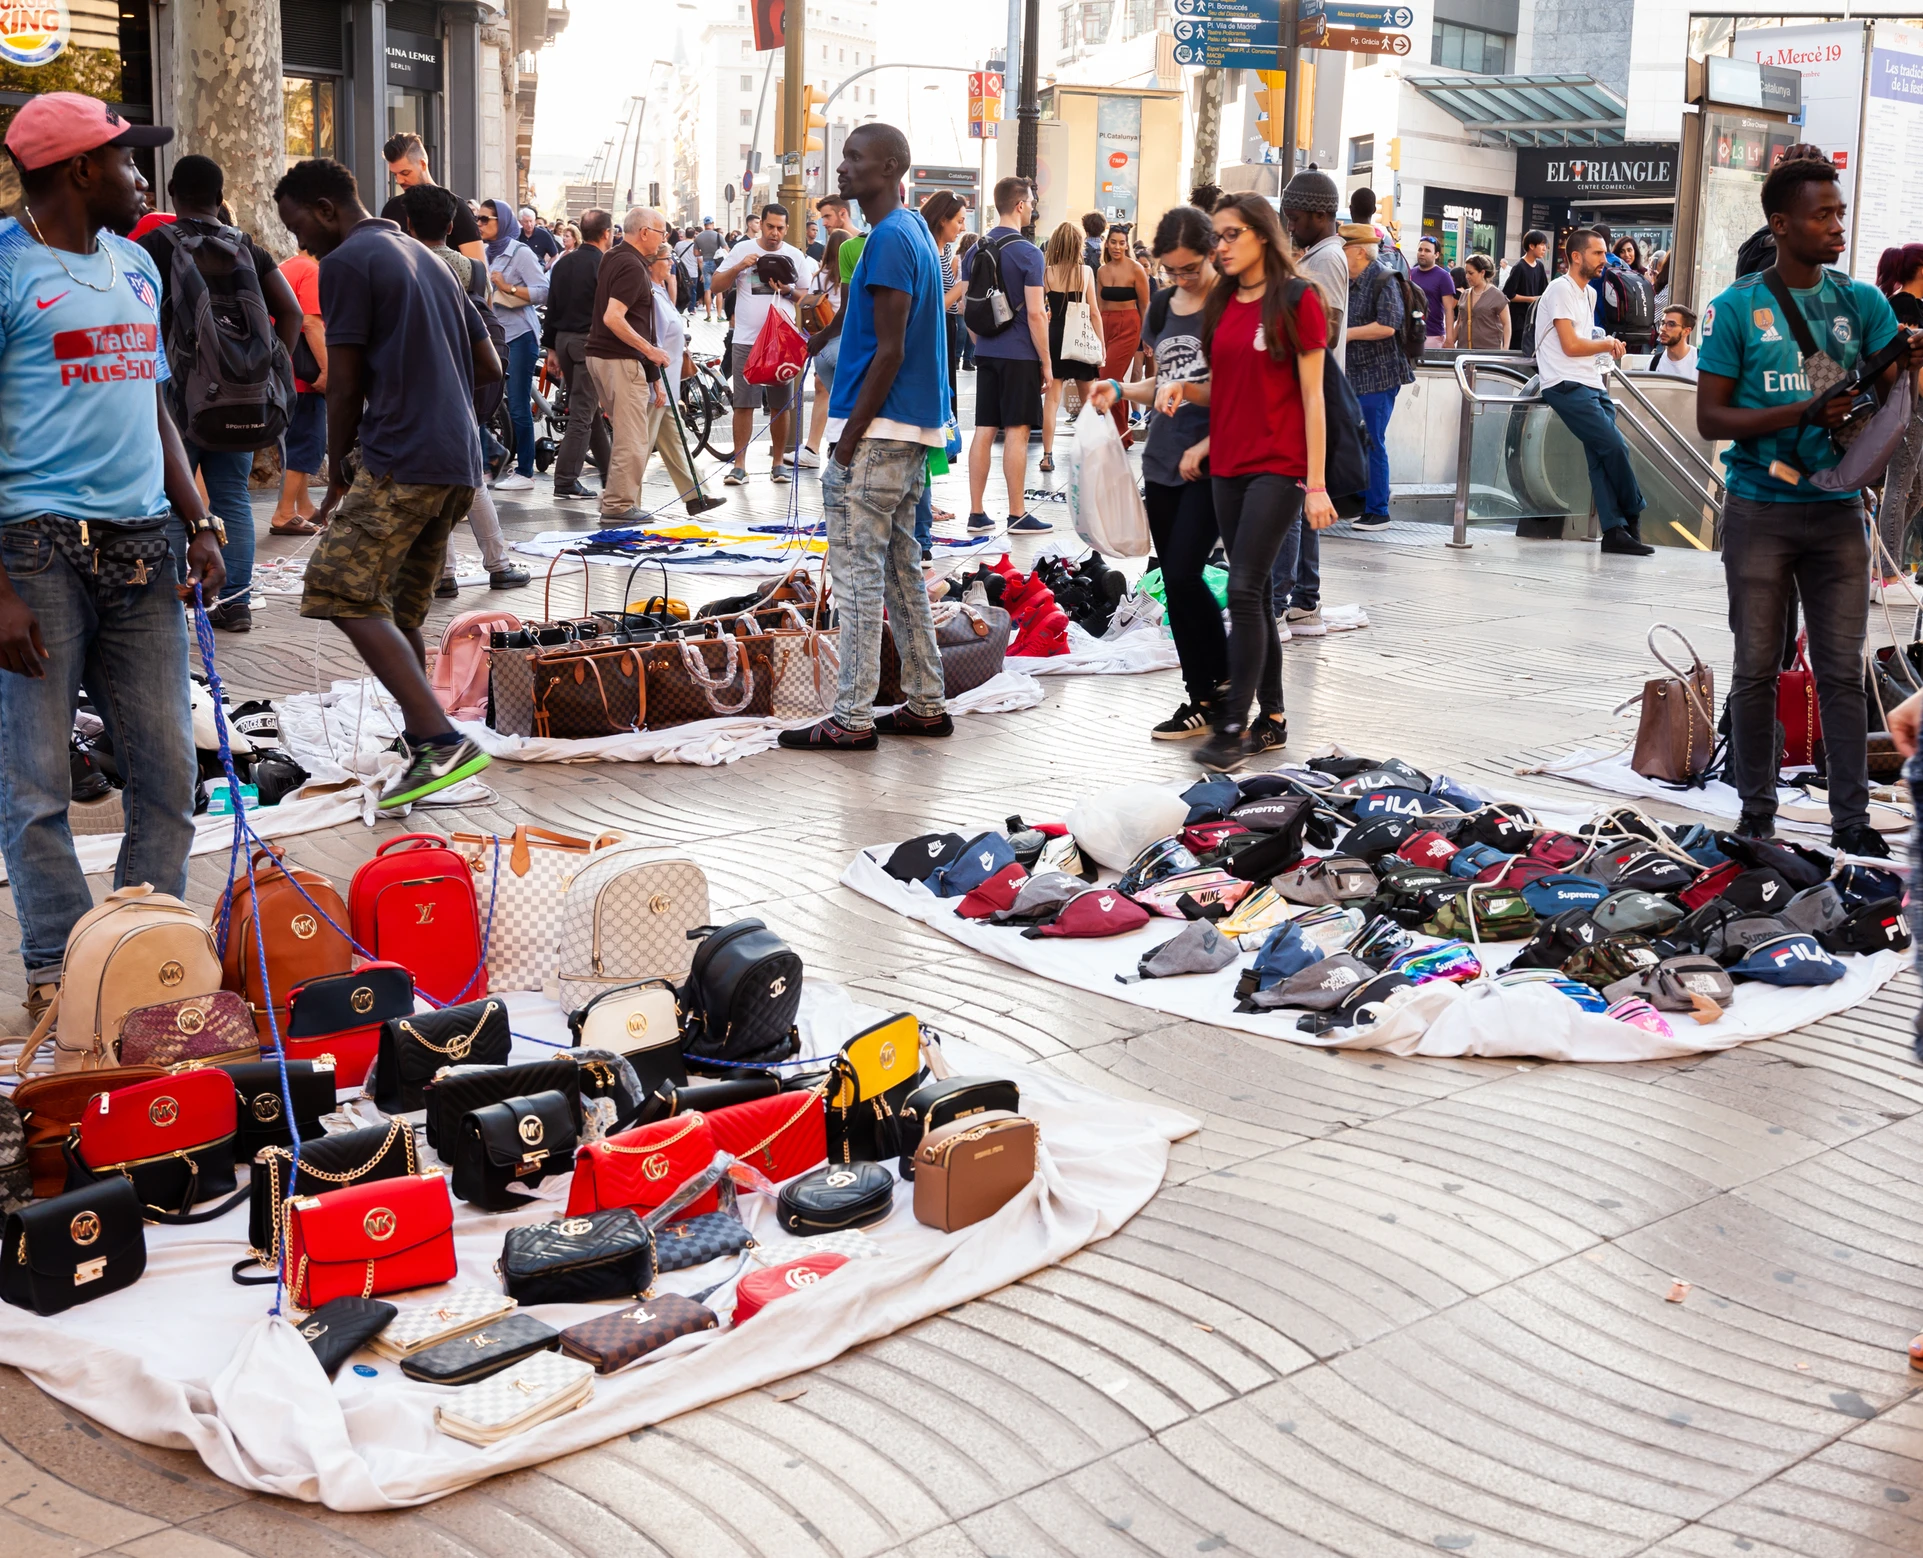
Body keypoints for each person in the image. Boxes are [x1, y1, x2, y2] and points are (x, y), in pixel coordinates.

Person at [0, 93, 223, 1018]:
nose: (142, 178)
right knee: (36, 781)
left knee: (169, 773)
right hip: (34, 554)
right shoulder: (6, 267)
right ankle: (59, 967)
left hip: (143, 550)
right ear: (81, 170)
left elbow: (154, 409)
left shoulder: (137, 264)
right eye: (129, 161)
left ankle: (141, 947)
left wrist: (202, 520)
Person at [1698, 156, 1923, 858]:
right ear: (1780, 223)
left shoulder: (1859, 303)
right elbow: (1711, 417)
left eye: (1838, 212)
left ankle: (1849, 818)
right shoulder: (1735, 307)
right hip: (1757, 510)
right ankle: (1756, 811)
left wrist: (1903, 364)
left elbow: (1885, 391)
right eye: (1821, 214)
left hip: (1836, 516)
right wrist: (1804, 407)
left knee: (1839, 669)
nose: (1836, 225)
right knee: (1756, 665)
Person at [274, 157, 500, 808]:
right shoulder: (428, 257)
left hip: (402, 456)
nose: (300, 243)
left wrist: (340, 471)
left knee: (338, 587)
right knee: (399, 608)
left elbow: (341, 381)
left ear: (324, 209)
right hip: (456, 460)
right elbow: (486, 362)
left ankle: (438, 736)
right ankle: (425, 740)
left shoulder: (344, 263)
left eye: (298, 227)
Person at [779, 123, 951, 752]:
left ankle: (852, 715)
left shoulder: (886, 241)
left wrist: (847, 440)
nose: (843, 168)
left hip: (879, 432)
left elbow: (891, 349)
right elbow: (878, 335)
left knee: (857, 578)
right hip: (907, 430)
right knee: (903, 570)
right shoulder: (908, 235)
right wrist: (818, 340)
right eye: (844, 156)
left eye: (855, 158)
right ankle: (925, 700)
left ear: (892, 167)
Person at [1160, 194, 1334, 772]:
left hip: (1279, 467)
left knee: (1243, 588)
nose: (1222, 246)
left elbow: (1313, 397)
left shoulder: (1297, 299)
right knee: (1255, 595)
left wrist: (1315, 484)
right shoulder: (1225, 302)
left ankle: (1231, 726)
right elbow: (1229, 387)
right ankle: (1274, 718)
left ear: (1263, 235)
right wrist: (1188, 397)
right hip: (1228, 466)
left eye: (1232, 234)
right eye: (1218, 236)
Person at [137, 153, 301, 632]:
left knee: (171, 496)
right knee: (232, 496)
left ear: (173, 195)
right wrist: (268, 371)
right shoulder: (246, 246)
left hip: (177, 400)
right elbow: (289, 312)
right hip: (242, 398)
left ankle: (173, 602)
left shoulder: (153, 247)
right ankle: (236, 603)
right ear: (219, 195)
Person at [1089, 205, 1227, 739]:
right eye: (1172, 270)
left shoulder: (1228, 308)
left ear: (1213, 252)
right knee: (1172, 577)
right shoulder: (1166, 306)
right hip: (1163, 458)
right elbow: (1160, 380)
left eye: (1190, 268)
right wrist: (1121, 390)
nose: (1181, 279)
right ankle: (1200, 696)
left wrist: (1185, 392)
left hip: (1212, 459)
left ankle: (1225, 684)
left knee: (1189, 572)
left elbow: (1230, 390)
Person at [397, 188, 529, 595]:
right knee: (467, 476)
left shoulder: (400, 265)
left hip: (416, 385)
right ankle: (493, 564)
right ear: (452, 227)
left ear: (409, 226)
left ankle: (447, 572)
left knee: (438, 480)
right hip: (464, 384)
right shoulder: (472, 270)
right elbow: (485, 333)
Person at [586, 205, 719, 521]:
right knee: (632, 438)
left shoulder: (613, 257)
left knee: (635, 434)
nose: (666, 237)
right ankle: (618, 505)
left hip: (602, 356)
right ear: (644, 233)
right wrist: (651, 352)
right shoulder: (632, 266)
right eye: (662, 232)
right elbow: (613, 317)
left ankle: (627, 501)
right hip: (618, 359)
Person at [1534, 228, 1649, 556]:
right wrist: (1608, 344)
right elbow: (1570, 346)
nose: (1605, 260)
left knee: (1601, 456)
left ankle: (1613, 532)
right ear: (1576, 256)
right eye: (1598, 254)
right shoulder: (1560, 289)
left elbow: (1582, 341)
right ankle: (1633, 512)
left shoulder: (1589, 294)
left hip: (1592, 382)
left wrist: (1601, 349)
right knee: (1615, 447)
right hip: (1564, 384)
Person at [1274, 168, 1347, 637]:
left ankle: (1284, 599)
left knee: (1293, 502)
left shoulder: (1323, 262)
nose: (1291, 226)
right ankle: (1304, 598)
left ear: (1319, 215)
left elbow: (1330, 327)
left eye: (1296, 217)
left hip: (1310, 395)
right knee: (1301, 502)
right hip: (1311, 391)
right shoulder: (1322, 254)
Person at [962, 177, 1051, 533]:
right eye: (1029, 201)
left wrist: (982, 341)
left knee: (984, 429)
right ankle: (1017, 513)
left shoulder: (974, 250)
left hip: (986, 351)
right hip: (1020, 355)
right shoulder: (1030, 253)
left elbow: (969, 309)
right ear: (1019, 205)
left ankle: (977, 512)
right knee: (1017, 429)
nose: (1031, 207)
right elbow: (1035, 313)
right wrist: (1046, 362)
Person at [712, 203, 816, 485]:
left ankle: (778, 462)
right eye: (770, 226)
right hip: (746, 339)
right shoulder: (742, 250)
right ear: (761, 223)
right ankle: (740, 465)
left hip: (780, 342)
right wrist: (738, 268)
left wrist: (788, 291)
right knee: (743, 404)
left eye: (781, 228)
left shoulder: (795, 255)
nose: (775, 233)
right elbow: (715, 286)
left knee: (780, 406)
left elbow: (806, 298)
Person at [1343, 220, 1413, 535]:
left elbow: (1388, 324)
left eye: (1343, 249)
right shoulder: (1349, 280)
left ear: (1358, 251)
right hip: (1356, 376)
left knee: (1372, 440)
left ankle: (1378, 511)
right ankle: (1360, 500)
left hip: (1380, 376)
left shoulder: (1384, 279)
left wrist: (1347, 334)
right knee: (1356, 440)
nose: (1339, 254)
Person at [474, 198, 548, 492]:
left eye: (485, 219)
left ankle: (526, 472)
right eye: (478, 218)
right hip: (495, 337)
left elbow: (543, 291)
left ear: (501, 221)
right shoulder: (480, 252)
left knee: (517, 404)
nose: (479, 223)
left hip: (519, 335)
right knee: (485, 402)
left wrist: (507, 287)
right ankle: (488, 459)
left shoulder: (520, 252)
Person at [542, 206, 613, 500]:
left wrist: (550, 348)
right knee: (583, 412)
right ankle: (566, 479)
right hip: (587, 343)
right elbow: (610, 312)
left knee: (589, 410)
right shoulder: (603, 265)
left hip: (564, 342)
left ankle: (611, 473)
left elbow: (552, 306)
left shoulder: (564, 263)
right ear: (607, 233)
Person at [271, 241, 327, 535]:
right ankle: (285, 513)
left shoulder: (287, 266)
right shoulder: (311, 271)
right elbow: (311, 322)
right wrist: (328, 370)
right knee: (307, 442)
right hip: (303, 376)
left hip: (283, 372)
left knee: (296, 442)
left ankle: (303, 506)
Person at [1875, 244, 1923, 580]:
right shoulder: (1902, 306)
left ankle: (1882, 560)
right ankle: (1885, 571)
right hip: (1909, 404)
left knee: (1916, 488)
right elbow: (1903, 363)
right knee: (1901, 484)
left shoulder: (1915, 305)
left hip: (1917, 406)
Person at [1039, 220, 1099, 483]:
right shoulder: (1085, 272)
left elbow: (1040, 310)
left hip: (1055, 337)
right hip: (1080, 336)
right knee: (1088, 402)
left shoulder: (1046, 272)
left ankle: (1047, 455)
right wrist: (1102, 345)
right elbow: (1094, 312)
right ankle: (1090, 453)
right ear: (1077, 244)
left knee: (1051, 402)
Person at [379, 132, 483, 266]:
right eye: (394, 174)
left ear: (423, 164)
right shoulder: (392, 208)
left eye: (405, 173)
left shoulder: (457, 207)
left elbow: (479, 273)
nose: (399, 180)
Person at [798, 229, 848, 469]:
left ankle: (823, 448)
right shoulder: (849, 278)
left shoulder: (818, 276)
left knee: (833, 400)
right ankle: (837, 452)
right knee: (847, 402)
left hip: (821, 347)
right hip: (842, 344)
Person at [1096, 223, 1150, 440]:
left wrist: (1147, 336)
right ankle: (1120, 435)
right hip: (1106, 325)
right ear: (1107, 244)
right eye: (1113, 242)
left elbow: (1145, 304)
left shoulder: (1136, 268)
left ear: (1127, 245)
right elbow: (1099, 307)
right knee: (1113, 379)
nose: (1117, 247)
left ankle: (1117, 434)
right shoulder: (1101, 271)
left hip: (1129, 325)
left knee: (1109, 376)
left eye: (1122, 243)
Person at [1454, 253, 1509, 349]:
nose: (1467, 276)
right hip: (1464, 350)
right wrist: (1450, 342)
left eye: (1471, 273)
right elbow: (1459, 322)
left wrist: (1505, 347)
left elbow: (1506, 323)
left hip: (1489, 351)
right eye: (1466, 273)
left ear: (1482, 273)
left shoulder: (1496, 295)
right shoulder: (1465, 294)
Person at [1504, 229, 1550, 341]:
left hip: (1534, 320)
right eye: (1542, 244)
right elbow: (1508, 294)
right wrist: (1531, 299)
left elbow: (1545, 291)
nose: (1545, 248)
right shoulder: (1519, 267)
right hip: (1519, 322)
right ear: (1531, 246)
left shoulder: (1539, 266)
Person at [1411, 236, 1456, 344]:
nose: (1422, 253)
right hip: (1410, 335)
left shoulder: (1444, 276)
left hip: (1433, 337)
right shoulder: (1410, 273)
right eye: (1420, 250)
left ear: (1436, 255)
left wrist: (1449, 339)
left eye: (1427, 251)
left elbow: (1449, 310)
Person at [1649, 305, 1698, 380]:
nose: (1662, 328)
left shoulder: (1701, 361)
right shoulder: (1654, 363)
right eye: (1662, 323)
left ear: (1686, 331)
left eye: (1671, 324)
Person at [955, 231, 980, 370]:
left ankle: (967, 359)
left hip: (971, 301)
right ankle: (957, 356)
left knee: (971, 331)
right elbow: (951, 280)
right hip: (958, 301)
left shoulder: (978, 259)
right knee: (962, 330)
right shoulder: (957, 259)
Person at [693, 216, 724, 319]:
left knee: (707, 289)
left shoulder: (698, 237)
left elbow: (696, 253)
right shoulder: (718, 236)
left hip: (706, 263)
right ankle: (719, 316)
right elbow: (726, 249)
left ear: (704, 225)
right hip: (717, 264)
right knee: (719, 290)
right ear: (713, 224)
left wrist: (704, 252)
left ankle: (708, 315)